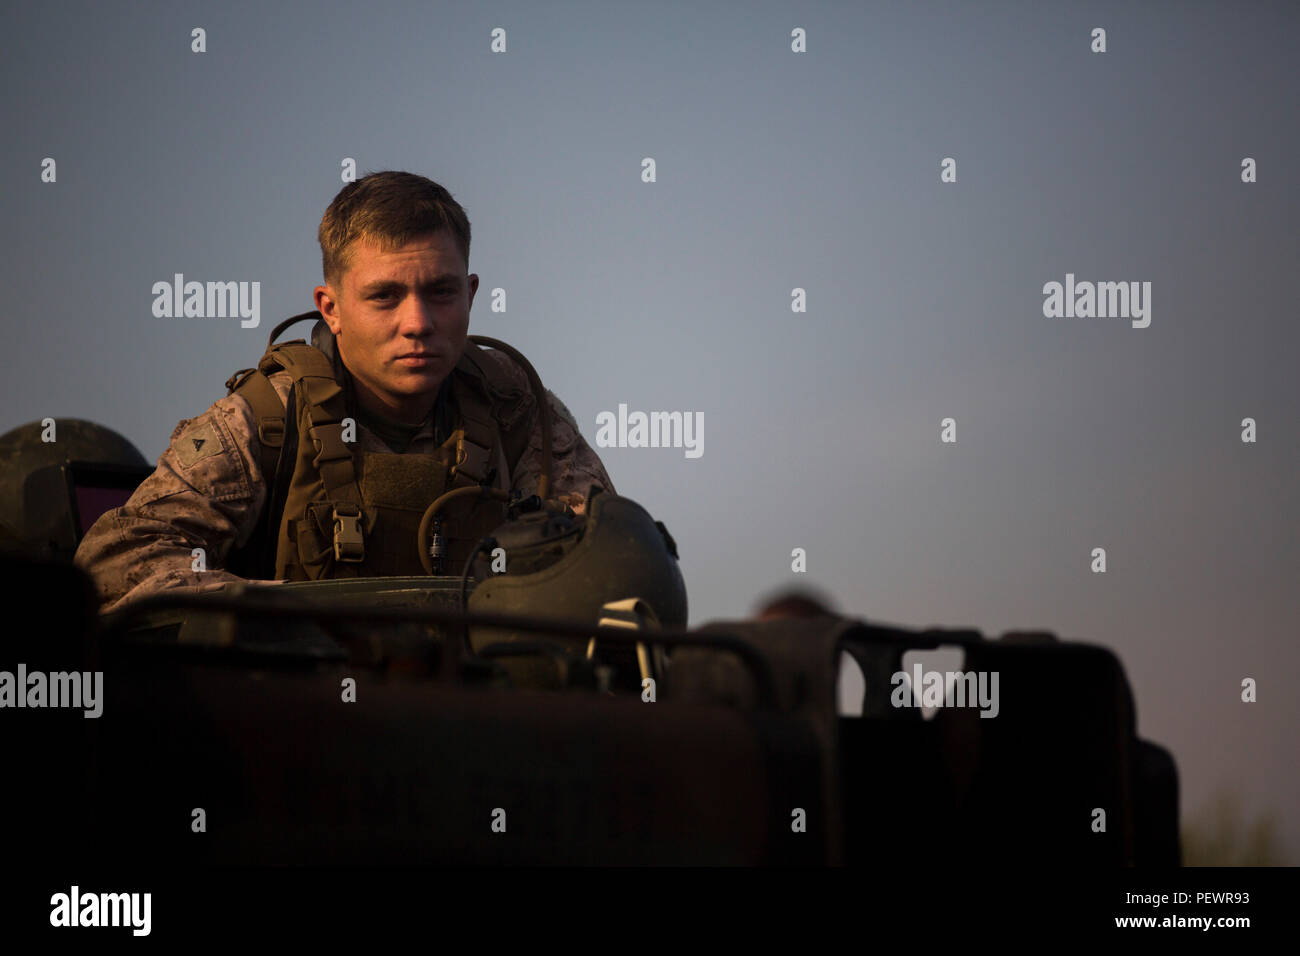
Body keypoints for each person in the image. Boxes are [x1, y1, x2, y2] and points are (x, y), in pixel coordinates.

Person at [75, 171, 614, 614]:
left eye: (441, 292)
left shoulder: (513, 406)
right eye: (384, 297)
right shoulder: (266, 418)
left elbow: (608, 561)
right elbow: (115, 564)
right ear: (331, 308)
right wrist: (303, 617)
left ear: (471, 294)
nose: (418, 322)